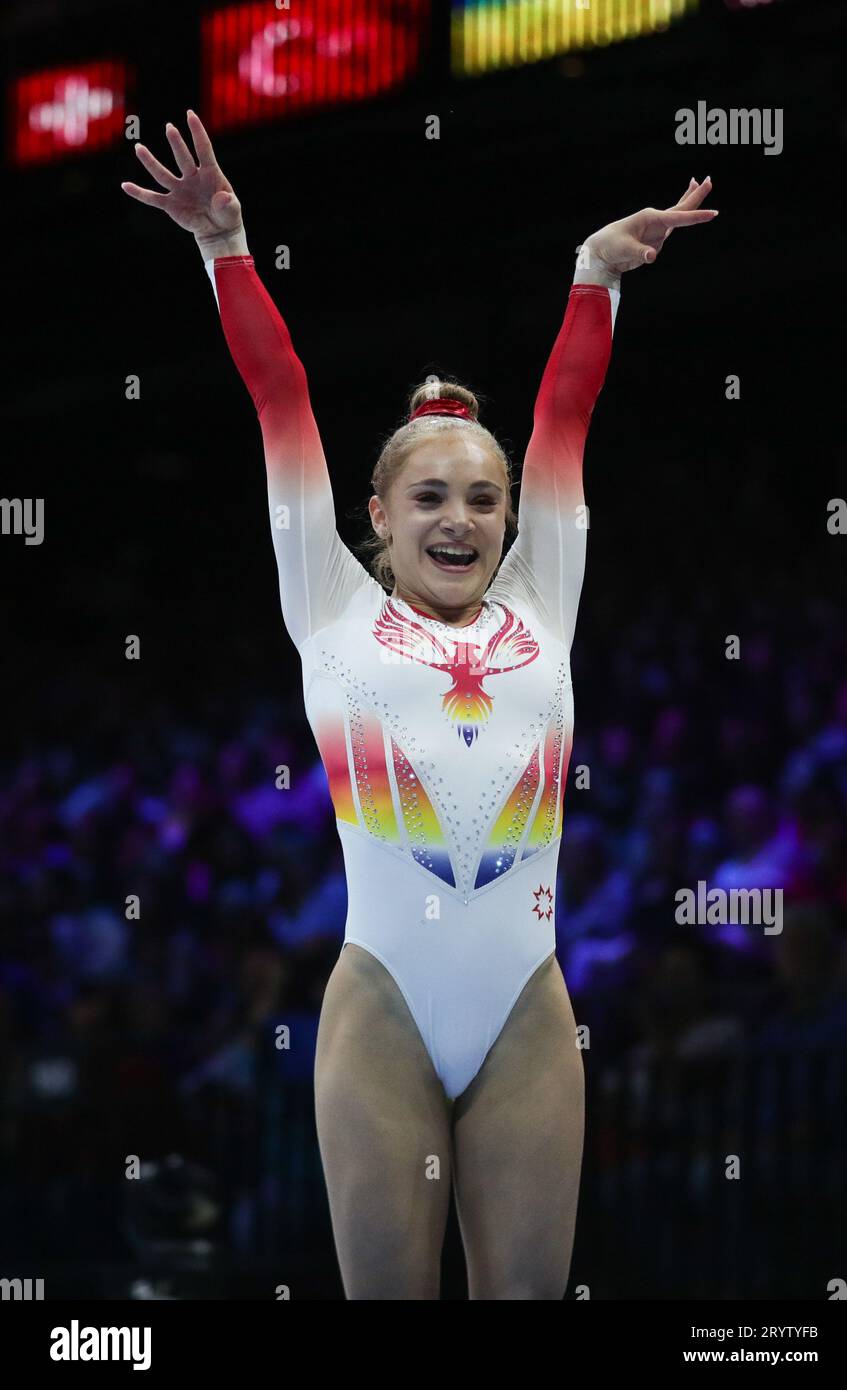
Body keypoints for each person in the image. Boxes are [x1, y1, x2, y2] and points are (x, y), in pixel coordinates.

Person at [122, 112, 717, 1299]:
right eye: (431, 495)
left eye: (484, 500)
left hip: (527, 1013)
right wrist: (224, 248)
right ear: (378, 516)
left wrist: (594, 276)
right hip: (383, 1005)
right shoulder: (330, 608)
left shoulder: (544, 600)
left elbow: (565, 422)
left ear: (511, 518)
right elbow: (279, 400)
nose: (461, 518)